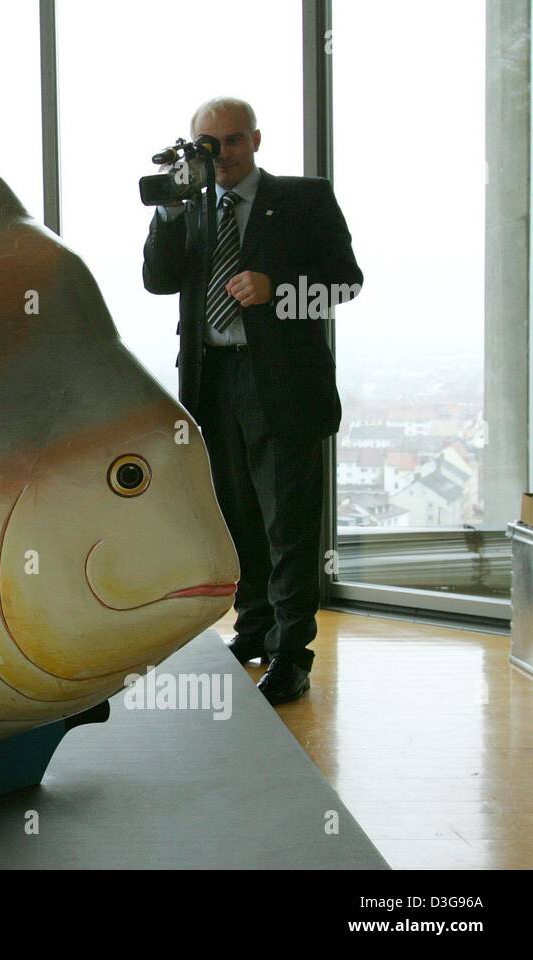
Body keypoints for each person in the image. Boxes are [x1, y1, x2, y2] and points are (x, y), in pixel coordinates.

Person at [142, 96, 362, 705]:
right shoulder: (191, 210)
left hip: (284, 386)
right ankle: (254, 627)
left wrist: (277, 288)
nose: (223, 155)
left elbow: (344, 284)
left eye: (233, 141)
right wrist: (166, 213)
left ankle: (293, 654)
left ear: (257, 141)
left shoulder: (304, 199)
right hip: (213, 383)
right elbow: (159, 280)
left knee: (289, 524)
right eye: (208, 145)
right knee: (237, 516)